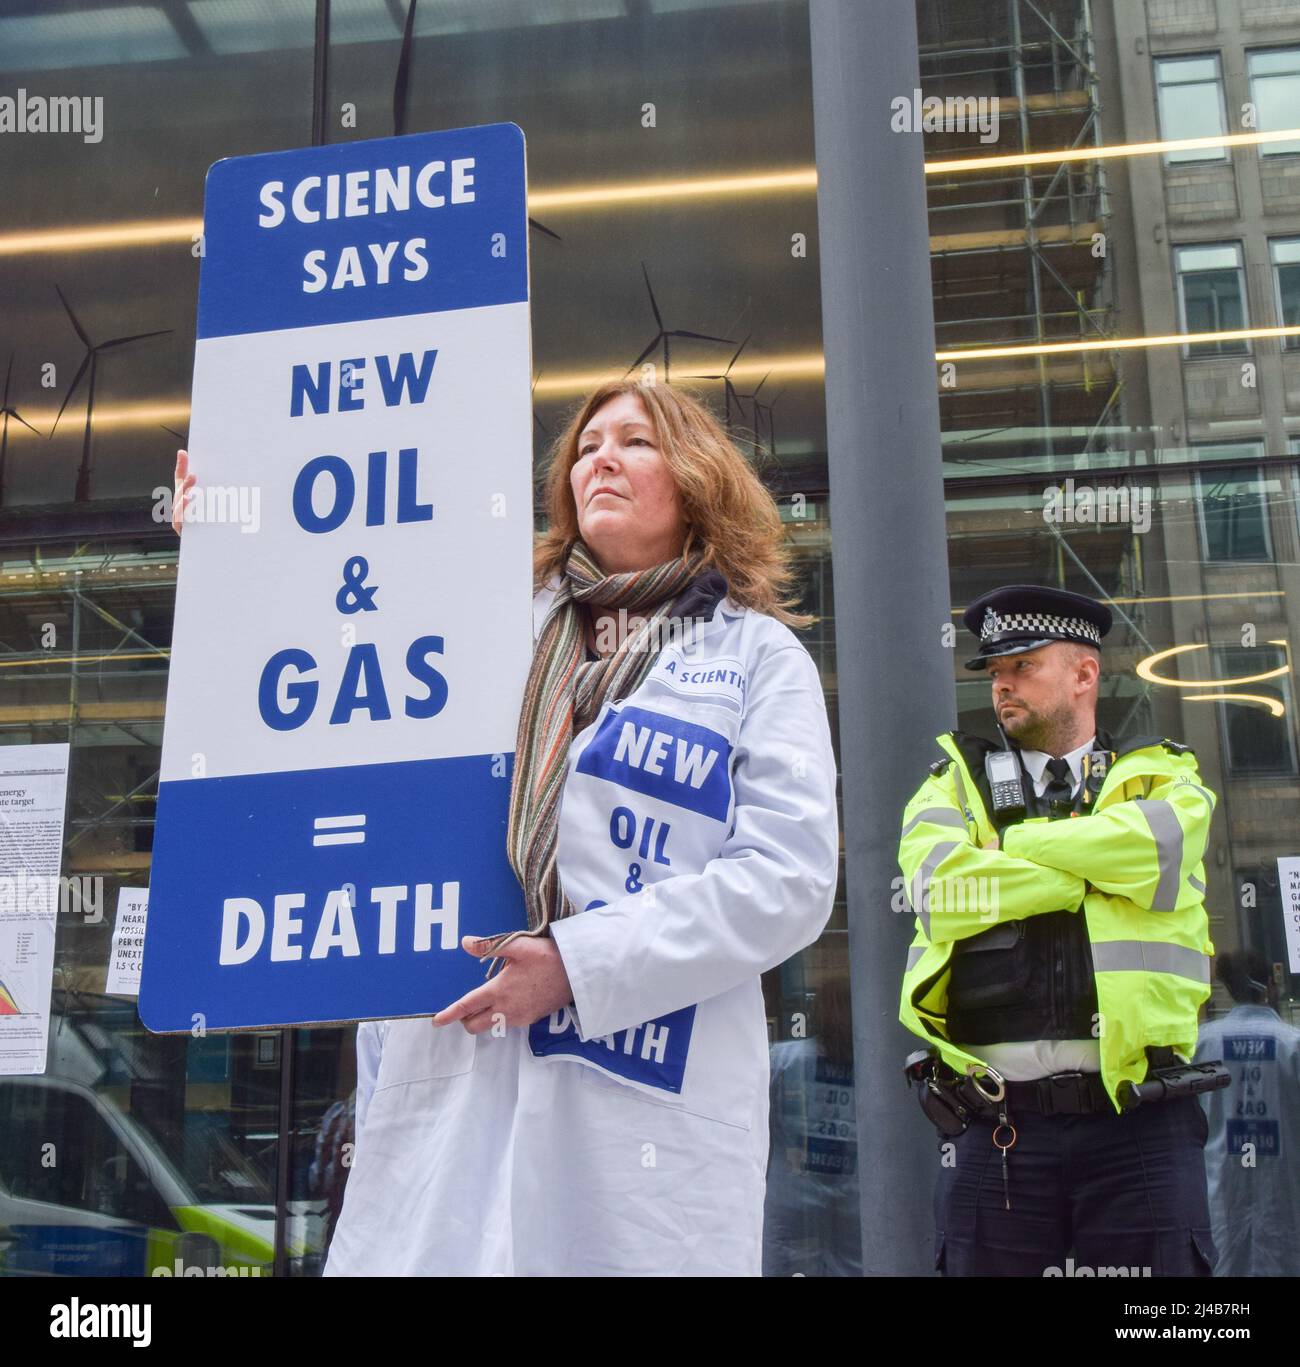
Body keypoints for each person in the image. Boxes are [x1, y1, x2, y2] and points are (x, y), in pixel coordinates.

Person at [171, 379, 839, 1275]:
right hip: (451, 1076)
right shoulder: (472, 628)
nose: (600, 455)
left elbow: (785, 880)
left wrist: (580, 962)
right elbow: (321, 657)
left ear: (697, 478)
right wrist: (233, 546)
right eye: (587, 444)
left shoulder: (755, 656)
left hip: (643, 1107)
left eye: (635, 441)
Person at [898, 584, 1219, 1277]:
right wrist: (1090, 869)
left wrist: (1010, 854)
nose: (1002, 684)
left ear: (1083, 673)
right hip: (995, 1125)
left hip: (1141, 1119)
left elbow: (1155, 858)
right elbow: (941, 890)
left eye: (1023, 665)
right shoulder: (950, 784)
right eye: (993, 671)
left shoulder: (1165, 776)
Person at [1194, 949, 1300, 1276]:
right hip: (1286, 1201)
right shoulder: (1292, 1045)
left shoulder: (1202, 1045)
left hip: (1219, 1200)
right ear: (1271, 984)